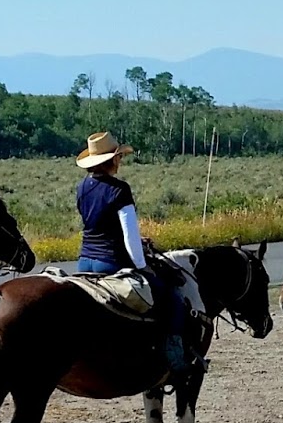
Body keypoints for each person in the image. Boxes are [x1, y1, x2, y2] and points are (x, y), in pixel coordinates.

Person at [74, 131, 205, 376]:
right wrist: (142, 265)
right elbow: (129, 238)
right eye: (118, 157)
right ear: (111, 160)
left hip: (84, 262)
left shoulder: (81, 187)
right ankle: (175, 358)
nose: (120, 161)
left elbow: (98, 226)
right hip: (110, 263)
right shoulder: (119, 189)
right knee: (172, 300)